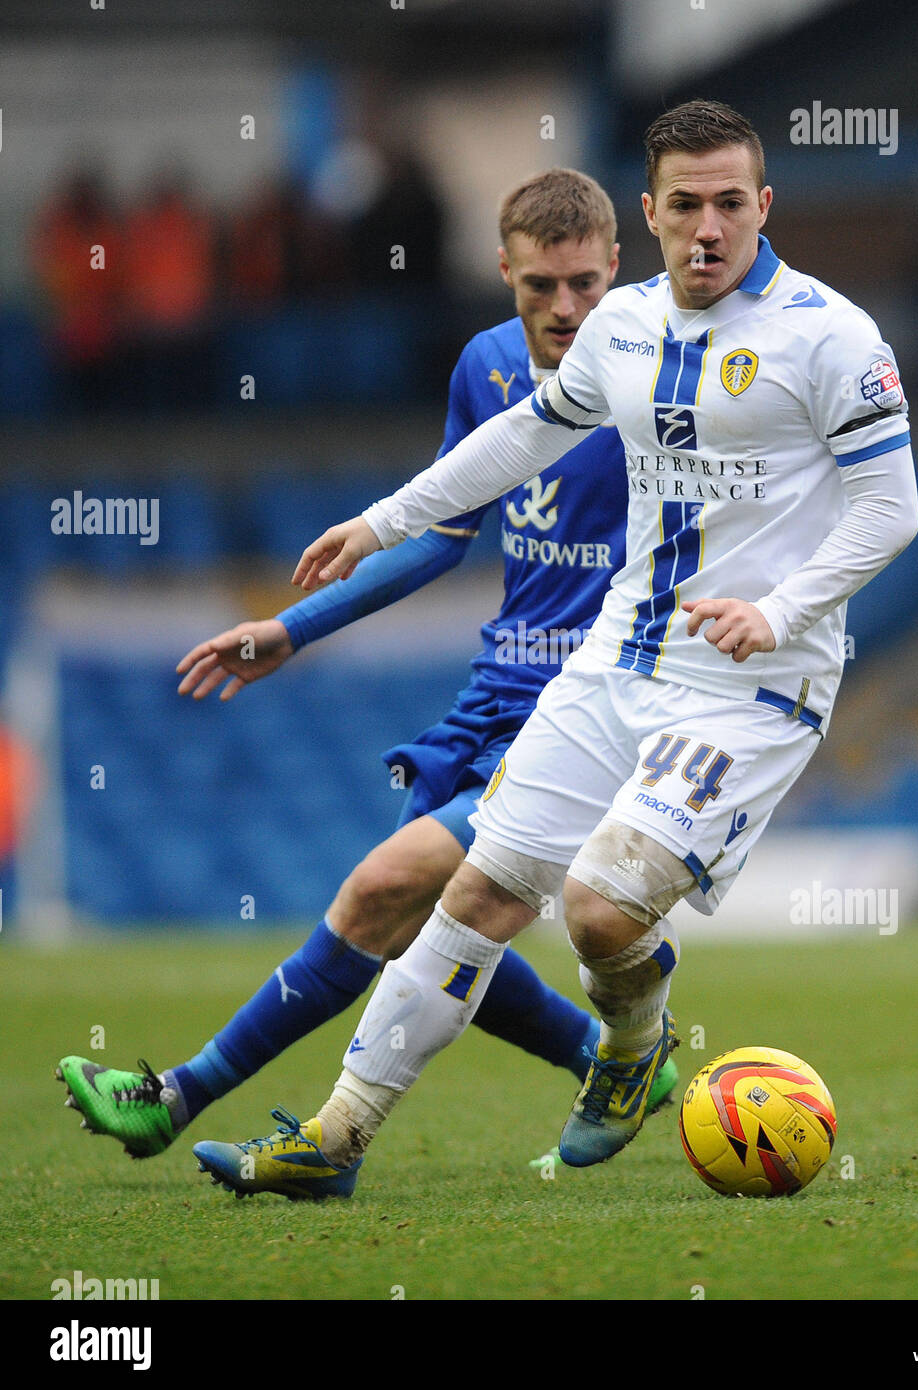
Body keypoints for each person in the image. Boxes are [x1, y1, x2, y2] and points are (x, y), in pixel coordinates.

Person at [193, 99, 918, 1198]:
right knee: (476, 896)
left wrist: (784, 609)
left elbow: (890, 508)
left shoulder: (832, 336)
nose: (709, 228)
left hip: (754, 684)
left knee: (598, 906)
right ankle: (332, 1140)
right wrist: (383, 520)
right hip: (621, 658)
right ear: (651, 212)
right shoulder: (623, 324)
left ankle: (630, 1047)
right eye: (687, 205)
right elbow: (525, 433)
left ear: (764, 205)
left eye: (731, 203)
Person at [56, 169, 679, 1187]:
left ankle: (175, 1099)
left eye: (583, 283)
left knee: (383, 891)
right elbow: (443, 539)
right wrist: (294, 630)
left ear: (617, 265)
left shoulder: (664, 383)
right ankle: (601, 1058)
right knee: (403, 928)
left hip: (594, 709)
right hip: (493, 694)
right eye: (540, 286)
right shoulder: (485, 368)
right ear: (504, 272)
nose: (564, 308)